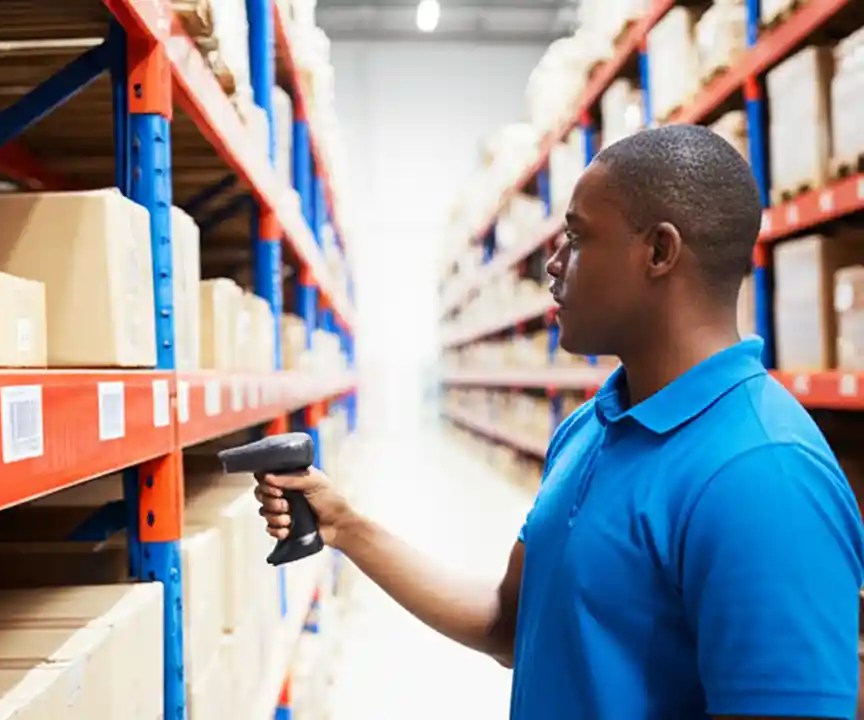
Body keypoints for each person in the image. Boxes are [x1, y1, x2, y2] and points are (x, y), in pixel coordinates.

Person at [256, 125, 864, 719]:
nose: (553, 263)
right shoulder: (590, 429)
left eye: (577, 237)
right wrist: (344, 526)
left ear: (659, 252)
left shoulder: (763, 475)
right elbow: (509, 623)